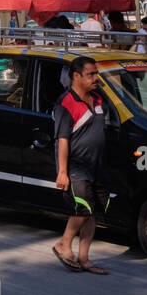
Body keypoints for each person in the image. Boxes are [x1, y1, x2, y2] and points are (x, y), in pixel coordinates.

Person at [51, 57, 110, 275]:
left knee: (91, 213)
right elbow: (62, 140)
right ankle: (63, 245)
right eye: (91, 74)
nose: (96, 78)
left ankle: (84, 258)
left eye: (96, 73)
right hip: (76, 166)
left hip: (96, 165)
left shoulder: (98, 98)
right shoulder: (66, 103)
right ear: (76, 76)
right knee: (83, 208)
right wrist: (63, 172)